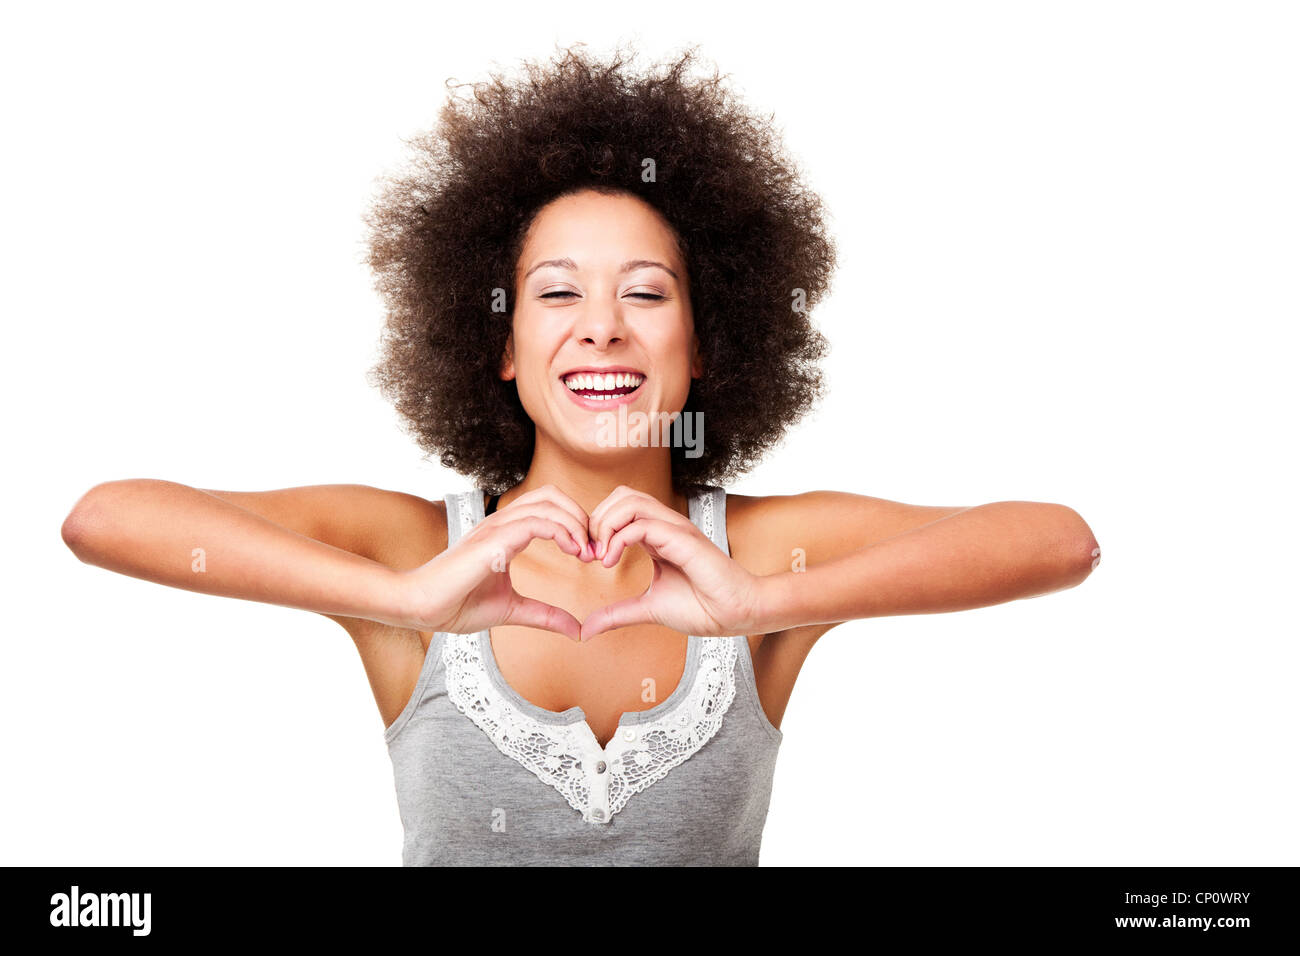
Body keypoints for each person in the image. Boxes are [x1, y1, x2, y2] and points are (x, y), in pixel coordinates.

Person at [59, 43, 1099, 865]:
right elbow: (104, 517)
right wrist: (411, 601)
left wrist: (753, 607)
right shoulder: (412, 548)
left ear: (706, 342)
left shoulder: (764, 553)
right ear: (500, 348)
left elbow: (1058, 542)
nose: (601, 326)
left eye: (645, 292)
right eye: (556, 292)